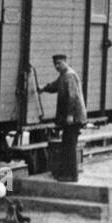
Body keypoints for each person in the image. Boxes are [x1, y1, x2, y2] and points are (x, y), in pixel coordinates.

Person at [41, 53, 87, 182]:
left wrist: (70, 115)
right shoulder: (63, 75)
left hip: (74, 117)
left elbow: (73, 97)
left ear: (65, 62)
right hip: (71, 117)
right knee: (67, 144)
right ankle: (66, 173)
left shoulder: (69, 76)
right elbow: (55, 86)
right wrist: (43, 88)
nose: (56, 66)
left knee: (70, 145)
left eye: (59, 63)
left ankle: (71, 176)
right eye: (55, 64)